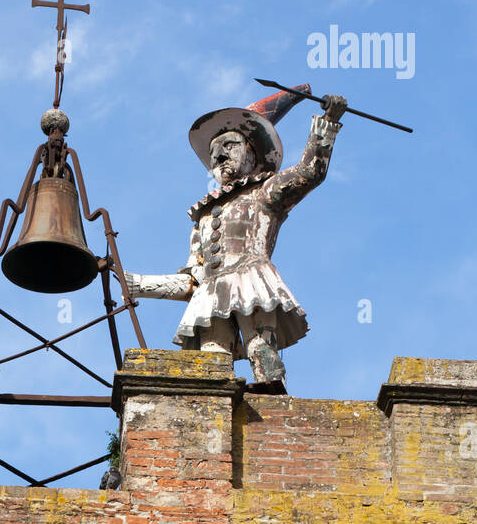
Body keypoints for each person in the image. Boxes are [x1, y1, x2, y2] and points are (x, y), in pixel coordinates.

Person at [124, 85, 347, 384]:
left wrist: (328, 123)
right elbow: (194, 281)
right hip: (212, 292)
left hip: (249, 277)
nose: (218, 155)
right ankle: (212, 403)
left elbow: (311, 172)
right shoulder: (203, 216)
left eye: (229, 145)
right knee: (211, 363)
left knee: (260, 347)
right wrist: (140, 284)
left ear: (252, 154)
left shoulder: (265, 192)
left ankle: (270, 393)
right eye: (214, 151)